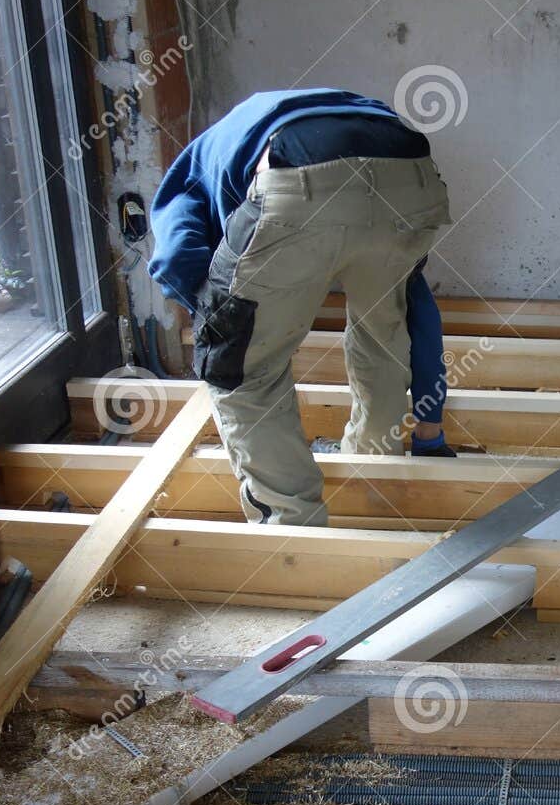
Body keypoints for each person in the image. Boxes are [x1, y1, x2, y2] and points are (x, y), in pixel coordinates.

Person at [148, 89, 454, 527]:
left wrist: (224, 328)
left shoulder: (188, 177)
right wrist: (430, 426)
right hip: (412, 175)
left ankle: (292, 526)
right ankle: (374, 462)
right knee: (384, 331)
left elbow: (175, 260)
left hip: (295, 175)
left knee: (245, 369)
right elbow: (418, 313)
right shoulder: (270, 124)